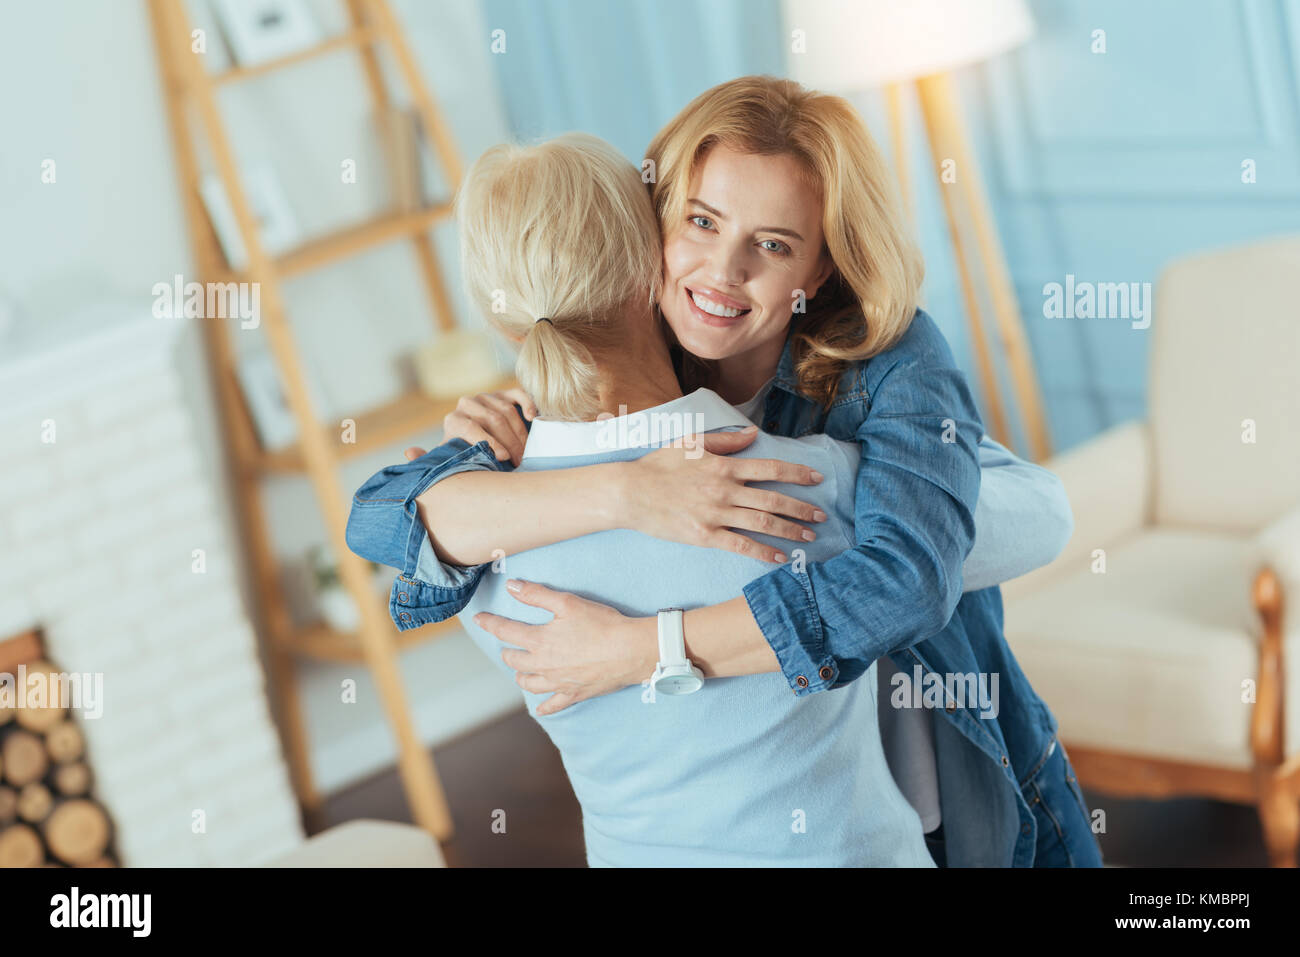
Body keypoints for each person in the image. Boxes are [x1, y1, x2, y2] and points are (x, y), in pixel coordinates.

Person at [348, 77, 1102, 867]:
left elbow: (938, 565)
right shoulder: (628, 377)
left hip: (957, 775)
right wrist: (627, 494)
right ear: (650, 235)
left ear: (819, 269)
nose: (722, 270)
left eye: (773, 244)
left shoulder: (885, 358)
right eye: (702, 223)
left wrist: (649, 649)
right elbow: (377, 519)